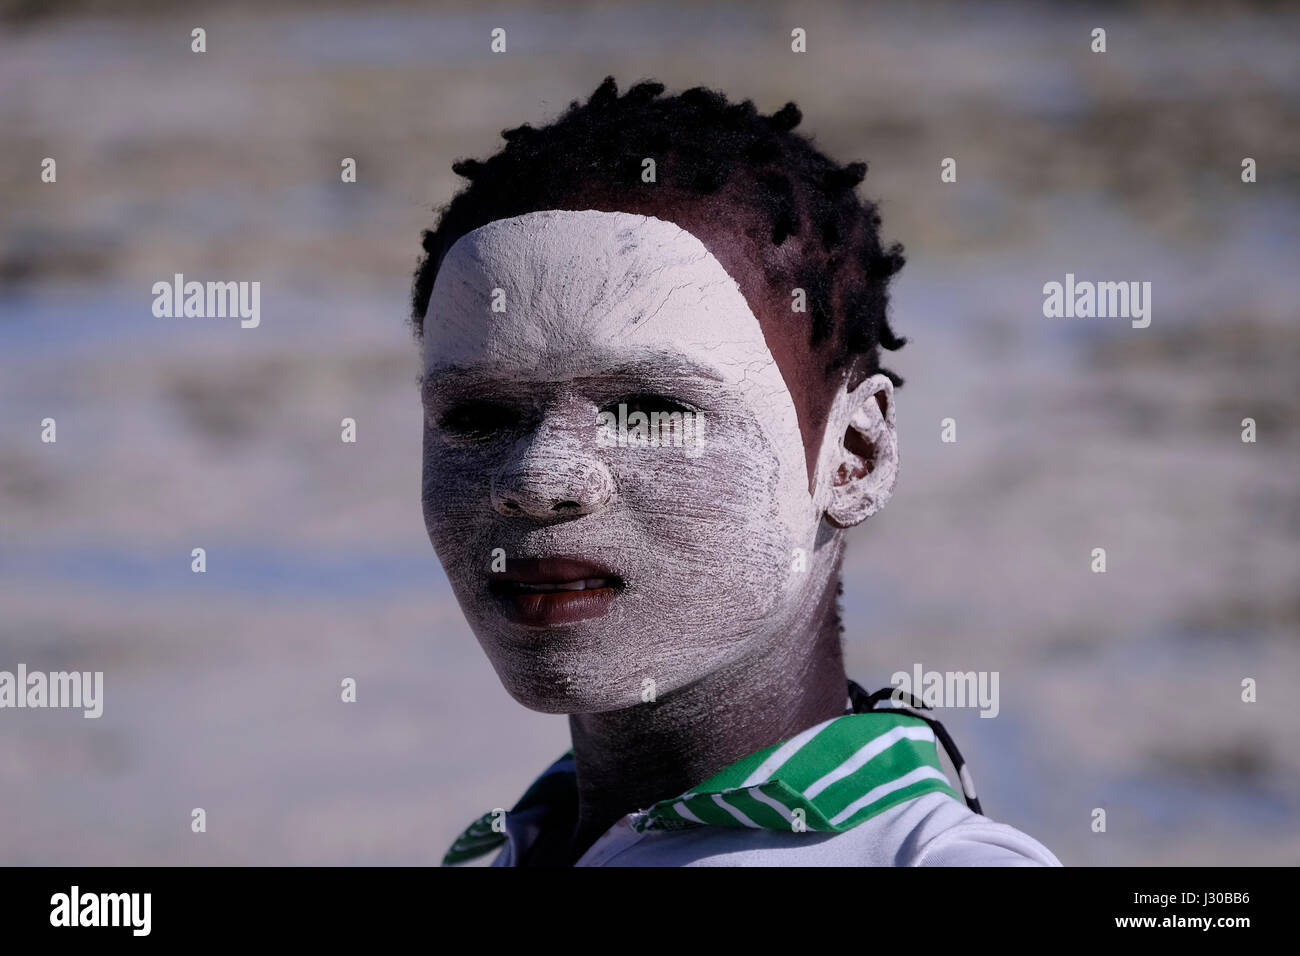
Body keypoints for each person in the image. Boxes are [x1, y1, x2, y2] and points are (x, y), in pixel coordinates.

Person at [412, 77, 1060, 867]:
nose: (540, 480)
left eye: (648, 409)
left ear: (854, 458)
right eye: (477, 416)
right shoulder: (500, 850)